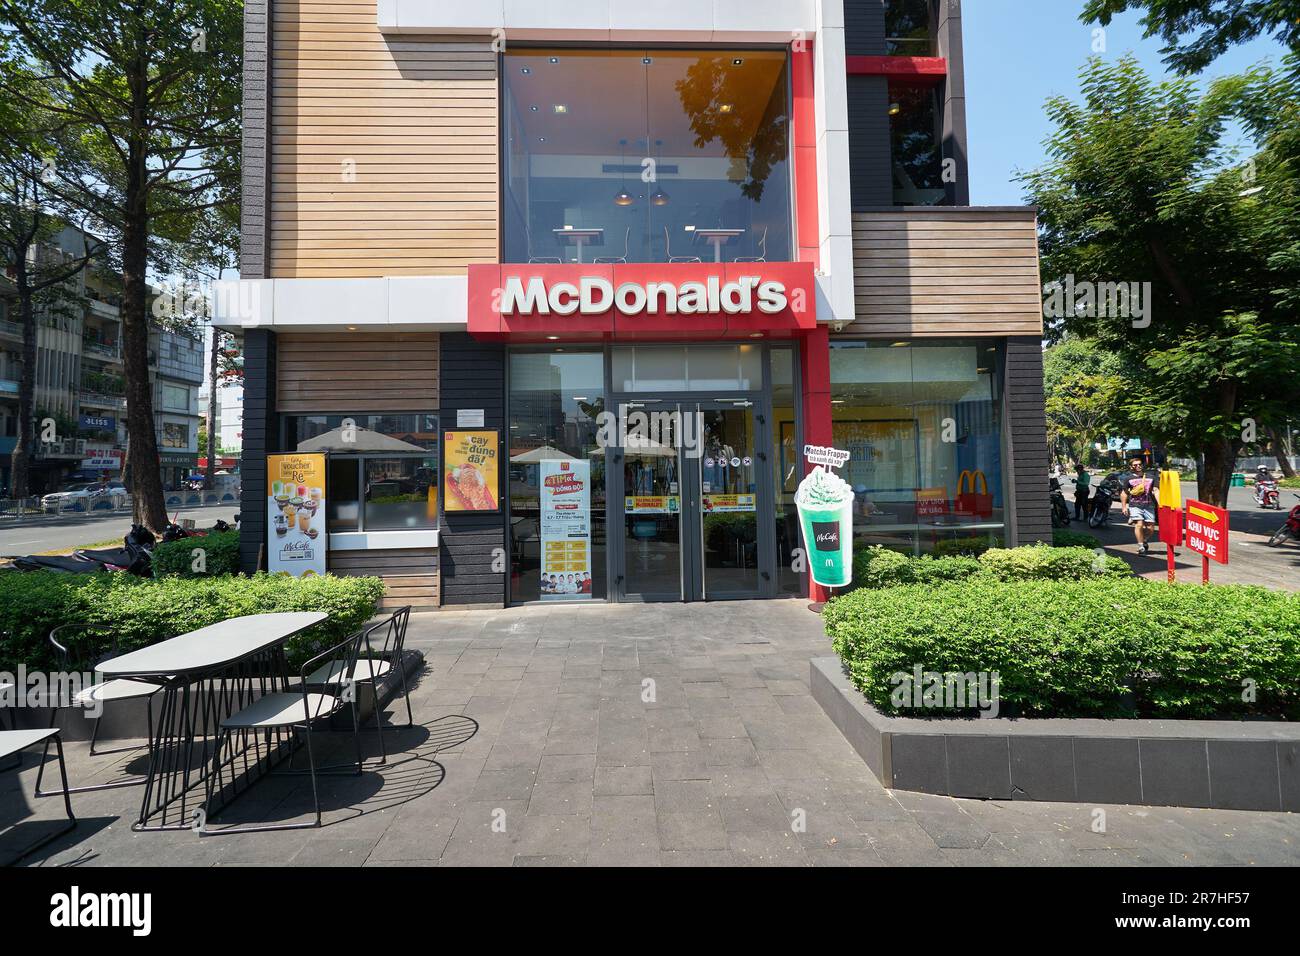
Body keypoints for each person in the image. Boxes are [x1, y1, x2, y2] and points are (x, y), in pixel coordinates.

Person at [1119, 455, 1158, 554]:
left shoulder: (1151, 477)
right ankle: (1141, 547)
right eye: (1135, 465)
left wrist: (1161, 504)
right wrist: (1124, 507)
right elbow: (1124, 493)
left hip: (1149, 505)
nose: (1138, 466)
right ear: (1131, 467)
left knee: (1150, 528)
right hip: (1135, 505)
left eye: (1140, 464)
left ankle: (1144, 540)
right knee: (1139, 525)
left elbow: (1156, 490)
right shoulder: (1128, 479)